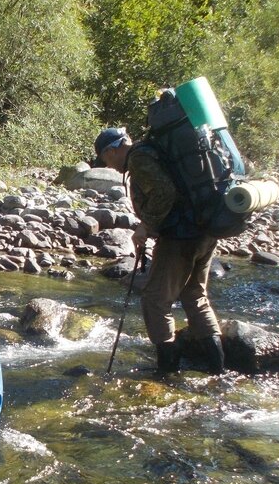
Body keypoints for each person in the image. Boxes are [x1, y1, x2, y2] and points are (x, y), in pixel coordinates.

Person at [94, 126, 224, 374]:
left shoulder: (139, 158)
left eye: (106, 159)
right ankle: (218, 369)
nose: (109, 166)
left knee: (155, 300)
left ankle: (167, 371)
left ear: (113, 149)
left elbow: (165, 192)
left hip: (180, 238)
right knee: (194, 296)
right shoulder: (156, 151)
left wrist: (147, 226)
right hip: (205, 230)